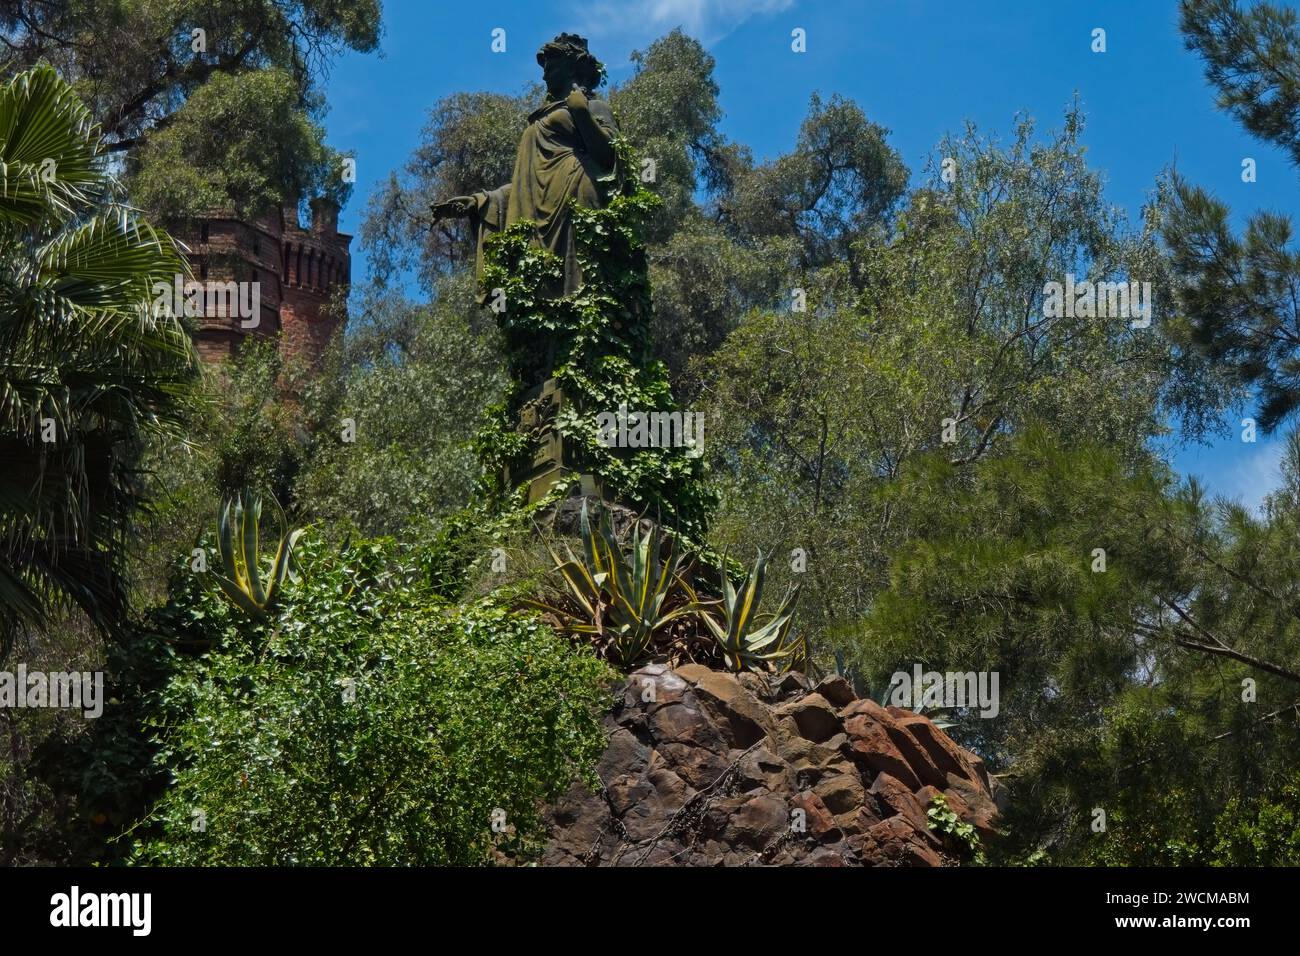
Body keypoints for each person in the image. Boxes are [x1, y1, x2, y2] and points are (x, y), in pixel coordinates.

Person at [431, 33, 620, 296]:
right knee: (540, 295)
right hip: (537, 217)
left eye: (550, 67)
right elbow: (525, 185)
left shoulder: (595, 107)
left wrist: (581, 113)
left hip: (578, 203)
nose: (544, 76)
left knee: (581, 292)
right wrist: (482, 201)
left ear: (571, 66)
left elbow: (611, 158)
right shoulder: (539, 120)